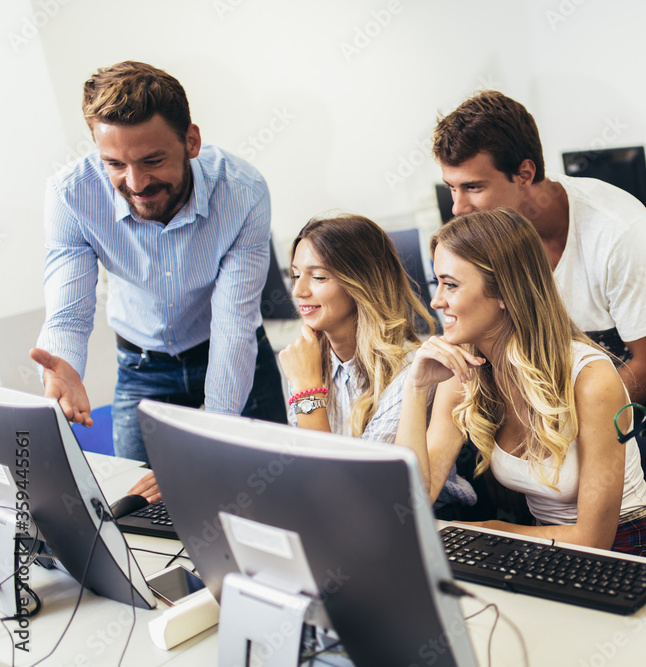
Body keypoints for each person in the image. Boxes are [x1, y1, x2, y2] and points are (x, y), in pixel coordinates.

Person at [31, 60, 285, 469]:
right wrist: (64, 366)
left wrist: (217, 423)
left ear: (191, 141)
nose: (135, 183)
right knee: (147, 513)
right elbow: (69, 313)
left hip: (236, 357)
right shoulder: (70, 196)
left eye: (152, 160)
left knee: (271, 499)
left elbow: (233, 324)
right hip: (142, 369)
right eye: (115, 164)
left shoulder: (243, 191)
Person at [396, 208, 646, 560]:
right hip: (537, 545)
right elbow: (416, 499)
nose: (437, 301)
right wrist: (415, 387)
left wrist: (492, 531)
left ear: (504, 291)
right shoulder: (465, 369)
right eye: (438, 283)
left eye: (450, 284)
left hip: (627, 550)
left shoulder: (591, 380)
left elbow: (594, 540)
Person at [432, 91, 646, 406]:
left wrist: (564, 422)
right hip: (565, 398)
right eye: (452, 188)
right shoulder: (494, 232)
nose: (457, 208)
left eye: (473, 187)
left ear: (524, 174)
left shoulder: (615, 232)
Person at [277, 215, 476, 513]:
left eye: (317, 277)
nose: (299, 291)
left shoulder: (412, 371)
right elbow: (310, 481)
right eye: (295, 276)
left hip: (431, 524)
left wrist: (308, 395)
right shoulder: (304, 361)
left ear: (361, 284)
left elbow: (355, 495)